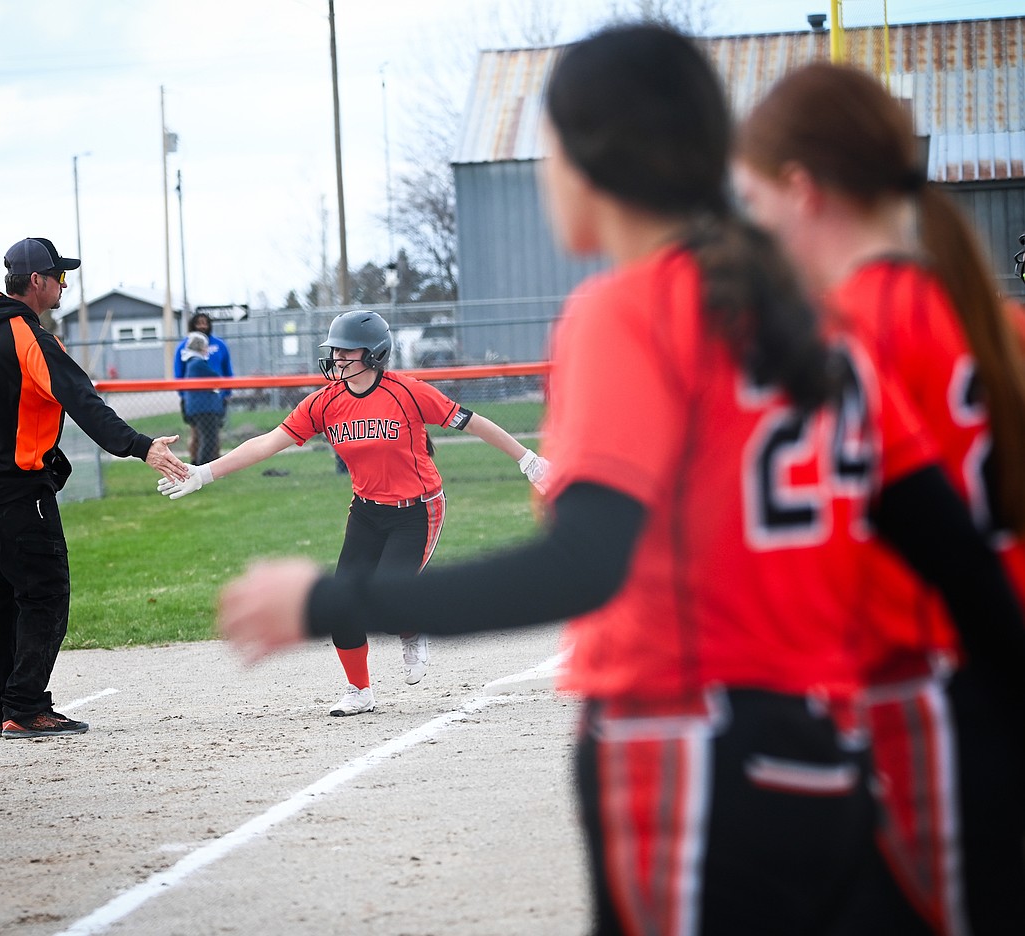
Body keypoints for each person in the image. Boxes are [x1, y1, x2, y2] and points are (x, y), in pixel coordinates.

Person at [212, 25, 1025, 936]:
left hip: (680, 751)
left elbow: (588, 562)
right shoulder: (809, 314)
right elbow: (957, 554)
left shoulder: (625, 310)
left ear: (588, 164)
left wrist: (322, 603)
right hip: (826, 753)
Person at [734, 63, 1025, 934]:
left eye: (754, 202)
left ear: (802, 190)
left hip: (917, 711)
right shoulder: (994, 321)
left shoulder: (838, 336)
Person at [159, 308, 549, 716]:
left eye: (347, 351)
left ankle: (411, 627)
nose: (338, 358)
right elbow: (266, 444)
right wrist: (204, 472)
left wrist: (529, 462)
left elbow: (474, 423)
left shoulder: (408, 392)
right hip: (366, 512)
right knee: (343, 601)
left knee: (389, 593)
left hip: (416, 510)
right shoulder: (325, 403)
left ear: (376, 354)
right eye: (335, 350)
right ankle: (359, 690)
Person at [0, 237, 187, 740]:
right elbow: (83, 402)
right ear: (35, 281)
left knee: (1, 598)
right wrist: (142, 446)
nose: (64, 284)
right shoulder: (27, 337)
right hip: (18, 492)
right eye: (58, 276)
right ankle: (25, 708)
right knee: (45, 594)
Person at [173, 311, 233, 462]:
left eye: (205, 322)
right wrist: (183, 396)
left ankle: (214, 464)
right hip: (197, 400)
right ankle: (198, 463)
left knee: (213, 435)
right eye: (198, 322)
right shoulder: (185, 349)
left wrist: (226, 392)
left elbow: (227, 371)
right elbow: (179, 373)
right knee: (199, 435)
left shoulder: (219, 345)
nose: (202, 326)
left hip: (216, 399)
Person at [179, 331, 224, 465]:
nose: (207, 349)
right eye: (205, 346)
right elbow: (216, 378)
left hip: (198, 407)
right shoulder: (197, 363)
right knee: (208, 439)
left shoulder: (192, 362)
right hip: (204, 408)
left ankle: (202, 465)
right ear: (200, 347)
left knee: (205, 438)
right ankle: (202, 466)